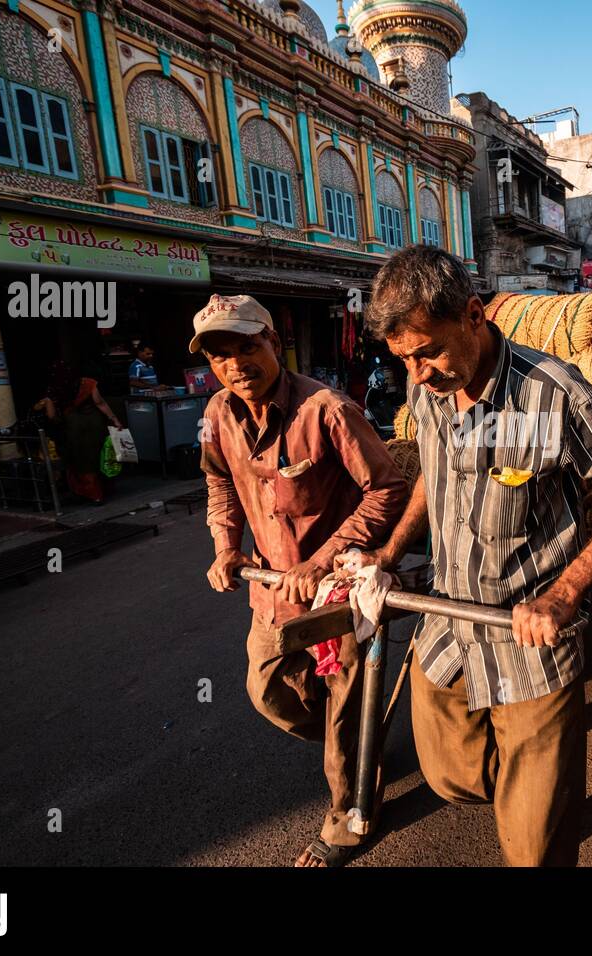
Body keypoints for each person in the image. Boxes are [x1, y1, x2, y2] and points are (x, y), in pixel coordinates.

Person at [352, 246, 592, 866]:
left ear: (472, 315)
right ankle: (527, 790)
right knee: (447, 777)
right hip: (447, 626)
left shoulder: (552, 395)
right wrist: (386, 554)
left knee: (536, 843)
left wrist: (564, 593)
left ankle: (541, 800)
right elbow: (431, 479)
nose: (416, 375)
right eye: (403, 360)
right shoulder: (430, 392)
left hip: (531, 641)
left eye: (427, 352)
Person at [196, 293, 408, 868]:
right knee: (268, 694)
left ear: (273, 343)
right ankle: (362, 747)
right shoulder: (215, 415)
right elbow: (219, 485)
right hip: (272, 593)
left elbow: (388, 489)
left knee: (342, 717)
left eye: (247, 346)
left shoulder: (327, 409)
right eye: (220, 356)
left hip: (337, 593)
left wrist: (324, 560)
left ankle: (349, 817)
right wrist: (226, 547)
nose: (236, 364)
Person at [34, 361, 121, 504]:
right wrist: (114, 419)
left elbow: (52, 417)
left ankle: (93, 494)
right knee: (99, 456)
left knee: (81, 461)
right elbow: (100, 403)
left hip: (73, 429)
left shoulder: (53, 390)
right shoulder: (88, 383)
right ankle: (105, 489)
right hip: (95, 424)